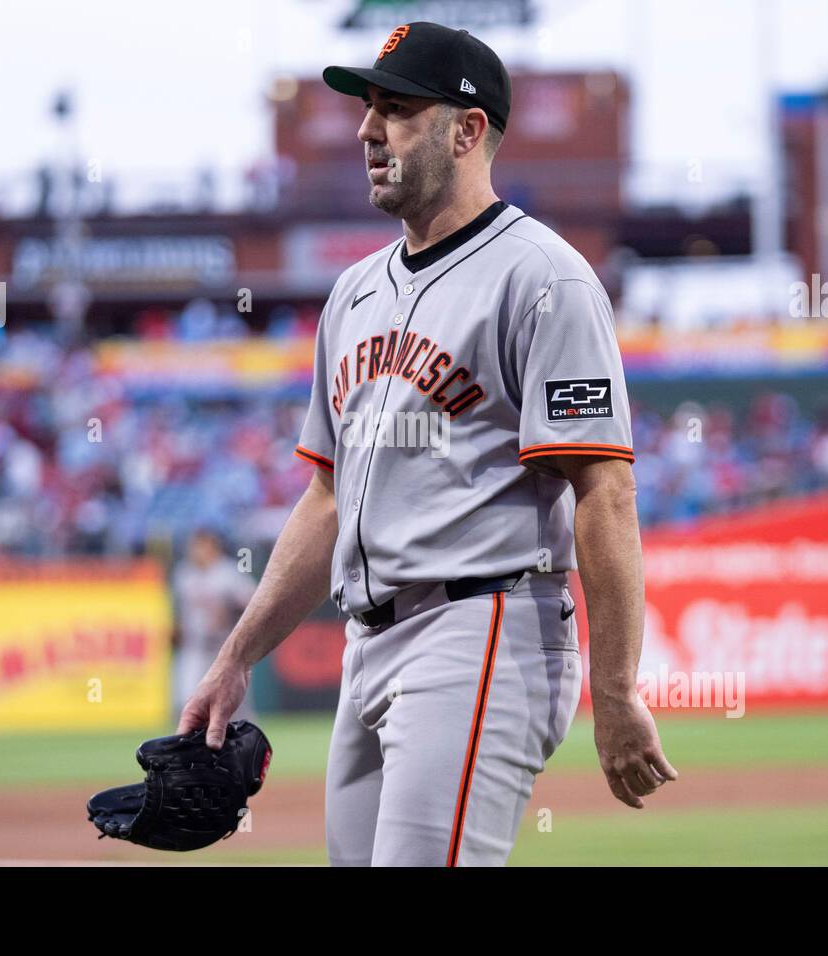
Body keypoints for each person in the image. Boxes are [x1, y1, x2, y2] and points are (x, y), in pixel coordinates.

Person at [177, 21, 676, 866]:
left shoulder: (543, 279)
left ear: (468, 129)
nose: (369, 130)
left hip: (480, 625)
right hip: (366, 644)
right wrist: (234, 660)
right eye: (370, 109)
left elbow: (604, 491)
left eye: (399, 109)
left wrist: (618, 686)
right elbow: (326, 499)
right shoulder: (352, 294)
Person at [171, 529, 256, 723]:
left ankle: (248, 745)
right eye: (194, 546)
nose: (196, 551)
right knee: (187, 699)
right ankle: (192, 746)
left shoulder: (228, 573)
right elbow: (180, 611)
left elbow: (252, 602)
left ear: (213, 547)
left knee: (236, 704)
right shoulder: (184, 574)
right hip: (194, 646)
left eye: (201, 545)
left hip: (223, 646)